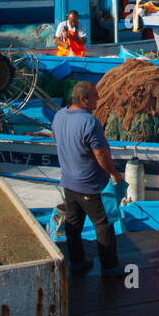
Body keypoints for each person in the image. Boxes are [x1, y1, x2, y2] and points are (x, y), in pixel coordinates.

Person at [50, 81, 126, 277]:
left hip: (68, 182)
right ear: (83, 100)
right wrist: (114, 173)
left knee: (73, 223)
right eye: (94, 96)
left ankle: (77, 262)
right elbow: (100, 154)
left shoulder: (59, 116)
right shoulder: (89, 122)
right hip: (90, 185)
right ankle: (110, 268)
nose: (98, 99)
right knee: (103, 224)